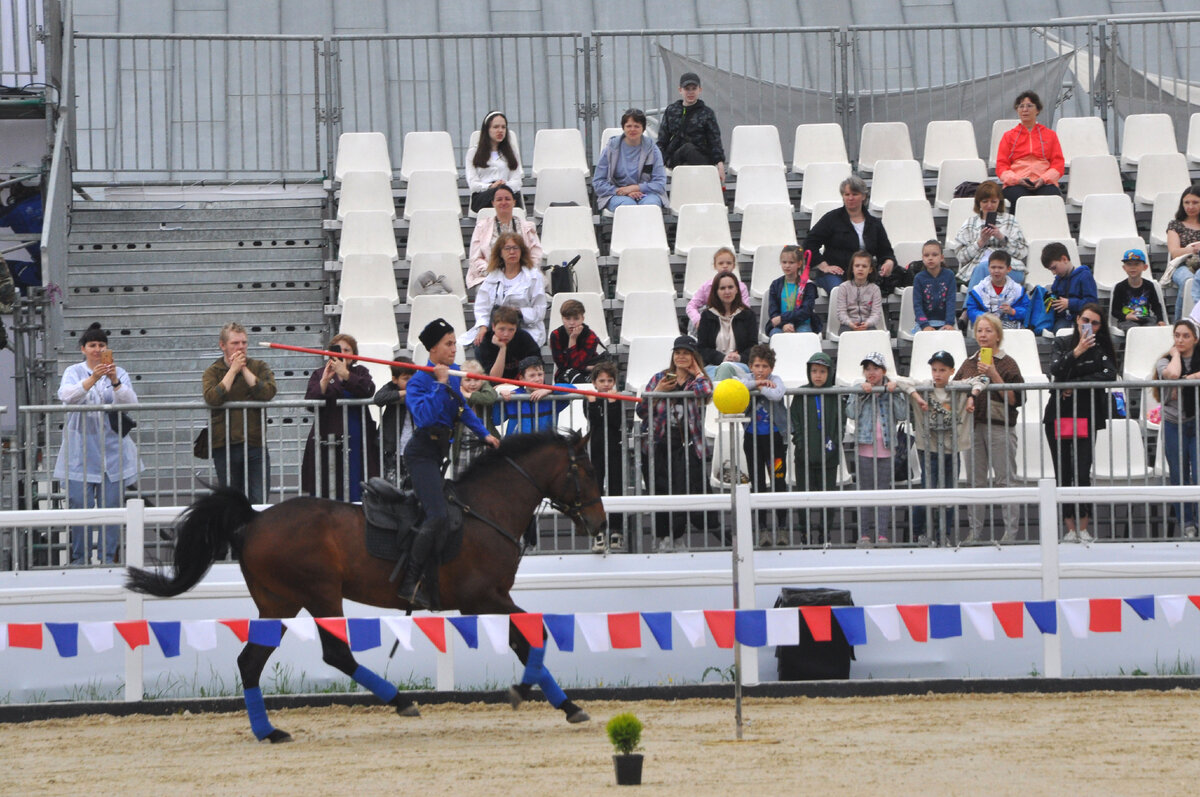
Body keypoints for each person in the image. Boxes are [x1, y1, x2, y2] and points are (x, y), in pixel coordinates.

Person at [400, 319, 499, 610]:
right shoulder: (419, 380)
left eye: (455, 343)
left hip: (439, 452)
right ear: (432, 349)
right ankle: (410, 581)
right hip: (421, 453)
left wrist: (485, 434)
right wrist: (440, 384)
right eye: (448, 343)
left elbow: (462, 409)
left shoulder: (454, 377)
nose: (454, 348)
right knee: (438, 515)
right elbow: (426, 416)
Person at [54, 322, 142, 565]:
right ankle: (80, 559)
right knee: (79, 507)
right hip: (80, 452)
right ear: (83, 348)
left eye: (101, 345)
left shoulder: (119, 372)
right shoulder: (73, 371)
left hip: (112, 452)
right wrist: (93, 378)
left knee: (111, 509)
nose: (97, 349)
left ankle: (107, 559)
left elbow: (131, 403)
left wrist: (114, 381)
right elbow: (67, 397)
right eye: (92, 345)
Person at [895, 351, 987, 547]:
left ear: (952, 371)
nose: (937, 374)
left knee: (949, 493)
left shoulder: (958, 387)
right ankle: (920, 532)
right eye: (934, 369)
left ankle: (942, 534)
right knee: (928, 489)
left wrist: (972, 396)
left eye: (942, 370)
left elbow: (983, 378)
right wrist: (916, 397)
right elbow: (899, 380)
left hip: (951, 448)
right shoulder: (924, 387)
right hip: (927, 448)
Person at [1044, 303, 1117, 543]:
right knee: (1063, 472)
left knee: (1083, 471)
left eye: (1095, 322)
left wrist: (1074, 384)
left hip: (1087, 414)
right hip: (1059, 414)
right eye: (1086, 320)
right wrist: (1076, 352)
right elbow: (1055, 368)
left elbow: (1108, 374)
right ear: (1077, 319)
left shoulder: (1102, 346)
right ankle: (1069, 528)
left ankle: (1084, 527)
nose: (1090, 326)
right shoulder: (1063, 343)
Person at [636, 336, 714, 553]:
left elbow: (706, 392)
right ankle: (662, 538)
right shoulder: (660, 378)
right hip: (658, 442)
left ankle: (678, 536)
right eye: (677, 352)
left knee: (682, 489)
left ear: (693, 357)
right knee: (660, 490)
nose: (680, 356)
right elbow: (641, 411)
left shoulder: (696, 381)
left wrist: (697, 371)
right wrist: (658, 392)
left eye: (686, 353)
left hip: (685, 444)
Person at [954, 314, 1026, 543]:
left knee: (1006, 480)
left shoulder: (1008, 363)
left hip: (1000, 427)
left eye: (988, 331)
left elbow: (1015, 399)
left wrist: (994, 374)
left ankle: (1010, 534)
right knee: (975, 481)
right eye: (979, 331)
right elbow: (955, 390)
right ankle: (975, 532)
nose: (983, 335)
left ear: (998, 335)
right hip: (972, 427)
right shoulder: (968, 363)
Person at [202, 322, 277, 504]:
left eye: (244, 342)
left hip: (255, 443)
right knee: (230, 503)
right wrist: (233, 370)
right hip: (224, 445)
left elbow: (268, 392)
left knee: (259, 501)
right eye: (235, 343)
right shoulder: (213, 371)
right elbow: (212, 398)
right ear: (223, 345)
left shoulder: (259, 366)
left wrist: (244, 370)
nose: (241, 347)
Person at [301, 334, 379, 502]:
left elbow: (368, 390)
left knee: (355, 482)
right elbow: (309, 402)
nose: (342, 353)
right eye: (339, 350)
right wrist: (324, 382)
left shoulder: (360, 372)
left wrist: (345, 375)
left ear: (354, 354)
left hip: (356, 438)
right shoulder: (319, 373)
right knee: (326, 485)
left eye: (347, 350)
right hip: (326, 435)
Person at [846, 352, 908, 547]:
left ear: (883, 371)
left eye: (875, 368)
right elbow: (850, 413)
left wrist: (894, 391)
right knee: (865, 493)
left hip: (888, 449)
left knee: (883, 493)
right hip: (865, 448)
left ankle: (882, 535)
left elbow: (903, 413)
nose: (871, 372)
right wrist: (861, 393)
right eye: (867, 369)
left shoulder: (892, 388)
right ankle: (864, 535)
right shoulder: (859, 388)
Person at [804, 175, 897, 296]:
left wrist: (888, 262)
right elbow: (809, 244)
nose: (850, 198)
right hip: (835, 274)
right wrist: (824, 266)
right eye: (847, 194)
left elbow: (886, 252)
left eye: (855, 194)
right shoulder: (831, 219)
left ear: (863, 196)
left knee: (875, 292)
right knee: (842, 292)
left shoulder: (875, 224)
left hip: (864, 274)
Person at [737, 345, 789, 547]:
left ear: (772, 368)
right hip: (752, 441)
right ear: (750, 366)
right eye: (757, 366)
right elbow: (739, 388)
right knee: (757, 483)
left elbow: (776, 395)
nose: (760, 370)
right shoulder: (748, 380)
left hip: (774, 441)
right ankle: (762, 530)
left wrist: (759, 387)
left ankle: (782, 527)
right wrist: (758, 384)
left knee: (778, 480)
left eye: (765, 366)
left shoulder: (776, 381)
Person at [789, 351, 843, 545]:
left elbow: (840, 424)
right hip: (804, 457)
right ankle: (804, 534)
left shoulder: (835, 395)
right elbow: (794, 421)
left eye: (822, 371)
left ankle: (825, 534)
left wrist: (834, 444)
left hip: (829, 458)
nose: (818, 375)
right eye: (814, 371)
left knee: (827, 499)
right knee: (804, 499)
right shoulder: (801, 393)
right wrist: (801, 445)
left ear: (829, 373)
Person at [1154, 319, 1200, 538]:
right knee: (1178, 475)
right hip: (1173, 423)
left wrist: (1189, 378)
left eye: (1186, 336)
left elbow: (1183, 377)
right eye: (1177, 335)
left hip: (1197, 422)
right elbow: (1172, 375)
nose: (1180, 340)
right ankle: (1187, 524)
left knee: (1199, 473)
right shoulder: (1165, 360)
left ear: (1195, 339)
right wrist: (1176, 355)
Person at [470, 231, 548, 347]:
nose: (512, 252)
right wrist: (483, 327)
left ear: (521, 252)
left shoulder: (534, 276)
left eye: (515, 248)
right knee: (482, 345)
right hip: (498, 328)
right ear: (500, 253)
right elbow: (482, 306)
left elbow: (539, 310)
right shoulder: (492, 277)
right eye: (507, 248)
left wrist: (519, 312)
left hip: (526, 328)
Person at [466, 184, 542, 290]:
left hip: (522, 276)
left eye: (507, 199)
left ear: (514, 202)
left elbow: (536, 256)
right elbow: (475, 258)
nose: (503, 202)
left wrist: (520, 273)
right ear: (493, 203)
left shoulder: (527, 227)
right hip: (489, 277)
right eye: (499, 199)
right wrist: (492, 272)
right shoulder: (481, 227)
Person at [995, 90, 1064, 206]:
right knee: (1021, 200)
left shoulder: (1050, 135)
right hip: (1016, 184)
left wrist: (1044, 179)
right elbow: (1001, 166)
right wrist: (1017, 180)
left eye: (1029, 106)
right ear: (1017, 110)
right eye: (1021, 106)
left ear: (1037, 110)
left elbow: (1058, 163)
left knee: (1051, 197)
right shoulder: (1008, 136)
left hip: (1044, 182)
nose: (1025, 109)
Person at [954, 181, 1029, 288]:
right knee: (984, 268)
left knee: (986, 269)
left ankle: (970, 304)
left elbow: (1022, 252)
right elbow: (961, 257)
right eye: (985, 201)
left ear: (999, 202)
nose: (989, 206)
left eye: (993, 201)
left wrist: (1002, 238)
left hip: (1010, 267)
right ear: (978, 202)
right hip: (978, 266)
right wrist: (981, 242)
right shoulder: (969, 224)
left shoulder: (1010, 220)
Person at [586, 360, 627, 553]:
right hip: (596, 450)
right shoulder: (590, 399)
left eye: (610, 380)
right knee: (596, 489)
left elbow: (615, 422)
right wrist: (594, 404)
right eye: (601, 380)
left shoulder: (616, 399)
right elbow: (593, 422)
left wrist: (612, 403)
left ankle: (617, 531)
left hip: (614, 449)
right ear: (594, 382)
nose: (606, 384)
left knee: (616, 486)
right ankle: (598, 532)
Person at [656, 72, 726, 182]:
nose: (690, 92)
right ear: (680, 90)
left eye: (694, 88)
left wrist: (720, 164)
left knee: (689, 149)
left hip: (700, 157)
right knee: (685, 150)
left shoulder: (706, 113)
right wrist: (660, 162)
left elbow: (714, 140)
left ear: (700, 90)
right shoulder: (671, 111)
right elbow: (662, 139)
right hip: (676, 157)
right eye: (687, 89)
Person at [593, 108, 667, 211]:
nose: (632, 129)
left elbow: (660, 183)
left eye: (637, 126)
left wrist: (635, 188)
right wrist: (622, 191)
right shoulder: (610, 148)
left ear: (643, 128)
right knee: (628, 206)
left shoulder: (653, 150)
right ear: (623, 127)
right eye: (628, 126)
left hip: (647, 194)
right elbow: (598, 182)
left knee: (650, 206)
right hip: (616, 194)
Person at [696, 270, 757, 378]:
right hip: (713, 366)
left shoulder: (748, 315)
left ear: (737, 289)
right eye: (722, 288)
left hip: (741, 365)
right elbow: (702, 349)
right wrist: (722, 358)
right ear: (716, 292)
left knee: (726, 369)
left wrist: (739, 357)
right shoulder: (706, 316)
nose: (727, 291)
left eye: (730, 287)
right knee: (720, 370)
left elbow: (753, 347)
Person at [465, 111, 524, 213]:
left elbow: (517, 181)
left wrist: (503, 187)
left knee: (506, 198)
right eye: (496, 127)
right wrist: (491, 187)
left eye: (503, 127)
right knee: (497, 197)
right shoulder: (473, 152)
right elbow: (473, 184)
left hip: (507, 192)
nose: (500, 130)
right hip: (484, 195)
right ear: (487, 129)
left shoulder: (512, 152)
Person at [450, 359, 499, 480]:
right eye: (467, 380)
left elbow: (490, 398)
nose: (472, 384)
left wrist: (468, 395)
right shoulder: (456, 392)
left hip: (483, 442)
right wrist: (464, 396)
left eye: (476, 379)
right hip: (462, 442)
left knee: (483, 478)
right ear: (460, 381)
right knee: (460, 478)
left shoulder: (484, 389)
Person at [501, 356, 572, 435]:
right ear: (521, 379)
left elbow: (572, 389)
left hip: (543, 446)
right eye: (532, 375)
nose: (537, 379)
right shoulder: (514, 395)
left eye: (540, 374)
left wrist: (550, 389)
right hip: (518, 445)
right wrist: (501, 396)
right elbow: (496, 420)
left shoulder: (551, 396)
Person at [374, 358, 418, 486]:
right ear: (395, 379)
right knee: (392, 487)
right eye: (406, 379)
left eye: (412, 378)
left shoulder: (419, 387)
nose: (410, 382)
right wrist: (404, 393)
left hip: (414, 450)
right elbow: (379, 398)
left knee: (414, 487)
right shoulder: (390, 387)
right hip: (393, 451)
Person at [685, 247, 750, 332]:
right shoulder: (707, 286)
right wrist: (698, 320)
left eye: (729, 263)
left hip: (734, 325)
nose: (725, 266)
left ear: (734, 265)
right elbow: (691, 306)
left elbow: (745, 308)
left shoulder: (741, 287)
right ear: (715, 266)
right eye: (721, 263)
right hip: (711, 325)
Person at [1161, 185, 1200, 320]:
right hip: (1182, 265)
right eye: (1187, 202)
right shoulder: (1175, 225)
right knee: (1188, 281)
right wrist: (1193, 249)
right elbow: (1175, 252)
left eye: (1195, 202)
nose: (1190, 206)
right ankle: (1179, 323)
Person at [965, 251, 1030, 329]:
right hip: (985, 325)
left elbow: (1026, 310)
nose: (996, 271)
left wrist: (1013, 311)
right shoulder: (979, 289)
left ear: (1008, 269)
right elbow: (971, 310)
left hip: (1010, 327)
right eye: (993, 267)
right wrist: (986, 317)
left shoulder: (1018, 290)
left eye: (1000, 268)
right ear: (988, 268)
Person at [1043, 241, 1098, 331]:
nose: (1053, 272)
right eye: (1050, 270)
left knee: (1087, 333)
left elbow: (1093, 303)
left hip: (1085, 319)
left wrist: (1070, 303)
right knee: (1059, 331)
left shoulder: (1084, 276)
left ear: (1064, 259)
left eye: (1054, 268)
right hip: (1064, 320)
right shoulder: (1058, 280)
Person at [475, 305, 541, 381]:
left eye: (511, 330)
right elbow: (494, 378)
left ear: (516, 328)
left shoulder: (524, 338)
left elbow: (537, 368)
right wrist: (502, 349)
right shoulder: (485, 343)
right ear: (493, 327)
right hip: (496, 387)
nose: (506, 334)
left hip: (522, 384)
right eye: (502, 329)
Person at [0, 173, 43, 288]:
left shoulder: (18, 210)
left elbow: (2, 218)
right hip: (49, 265)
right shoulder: (46, 202)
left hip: (40, 272)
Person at [764, 244, 818, 336]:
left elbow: (806, 311)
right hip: (781, 325)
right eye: (784, 262)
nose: (787, 266)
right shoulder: (775, 284)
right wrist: (783, 324)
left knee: (804, 334)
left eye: (791, 262)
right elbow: (773, 311)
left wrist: (782, 317)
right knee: (776, 335)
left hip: (802, 323)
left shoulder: (808, 286)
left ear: (799, 263)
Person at [549, 298, 606, 383]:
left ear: (582, 318)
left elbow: (576, 364)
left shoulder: (590, 336)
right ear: (562, 318)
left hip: (588, 374)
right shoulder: (555, 335)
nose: (571, 323)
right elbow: (562, 366)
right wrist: (573, 339)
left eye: (576, 319)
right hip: (564, 374)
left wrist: (573, 339)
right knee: (573, 374)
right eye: (568, 318)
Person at [1112, 248, 1166, 332]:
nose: (1133, 267)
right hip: (1127, 320)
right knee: (1133, 330)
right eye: (1129, 264)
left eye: (1137, 264)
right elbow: (1115, 310)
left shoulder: (1149, 285)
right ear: (1124, 267)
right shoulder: (1120, 287)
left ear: (1145, 267)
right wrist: (1125, 316)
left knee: (1152, 329)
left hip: (1146, 319)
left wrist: (1160, 320)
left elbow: (1156, 306)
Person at [912, 240, 956, 332]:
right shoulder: (918, 278)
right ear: (922, 258)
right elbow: (917, 305)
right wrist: (925, 325)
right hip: (924, 323)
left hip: (944, 322)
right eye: (926, 255)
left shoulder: (949, 275)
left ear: (941, 257)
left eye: (934, 255)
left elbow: (951, 301)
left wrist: (949, 323)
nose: (930, 258)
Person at [836, 250, 883, 333]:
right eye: (857, 266)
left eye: (864, 266)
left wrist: (867, 323)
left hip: (868, 325)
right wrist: (850, 324)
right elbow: (841, 312)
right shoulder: (844, 287)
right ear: (852, 269)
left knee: (875, 337)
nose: (860, 269)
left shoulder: (875, 289)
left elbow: (876, 314)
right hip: (848, 325)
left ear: (870, 270)